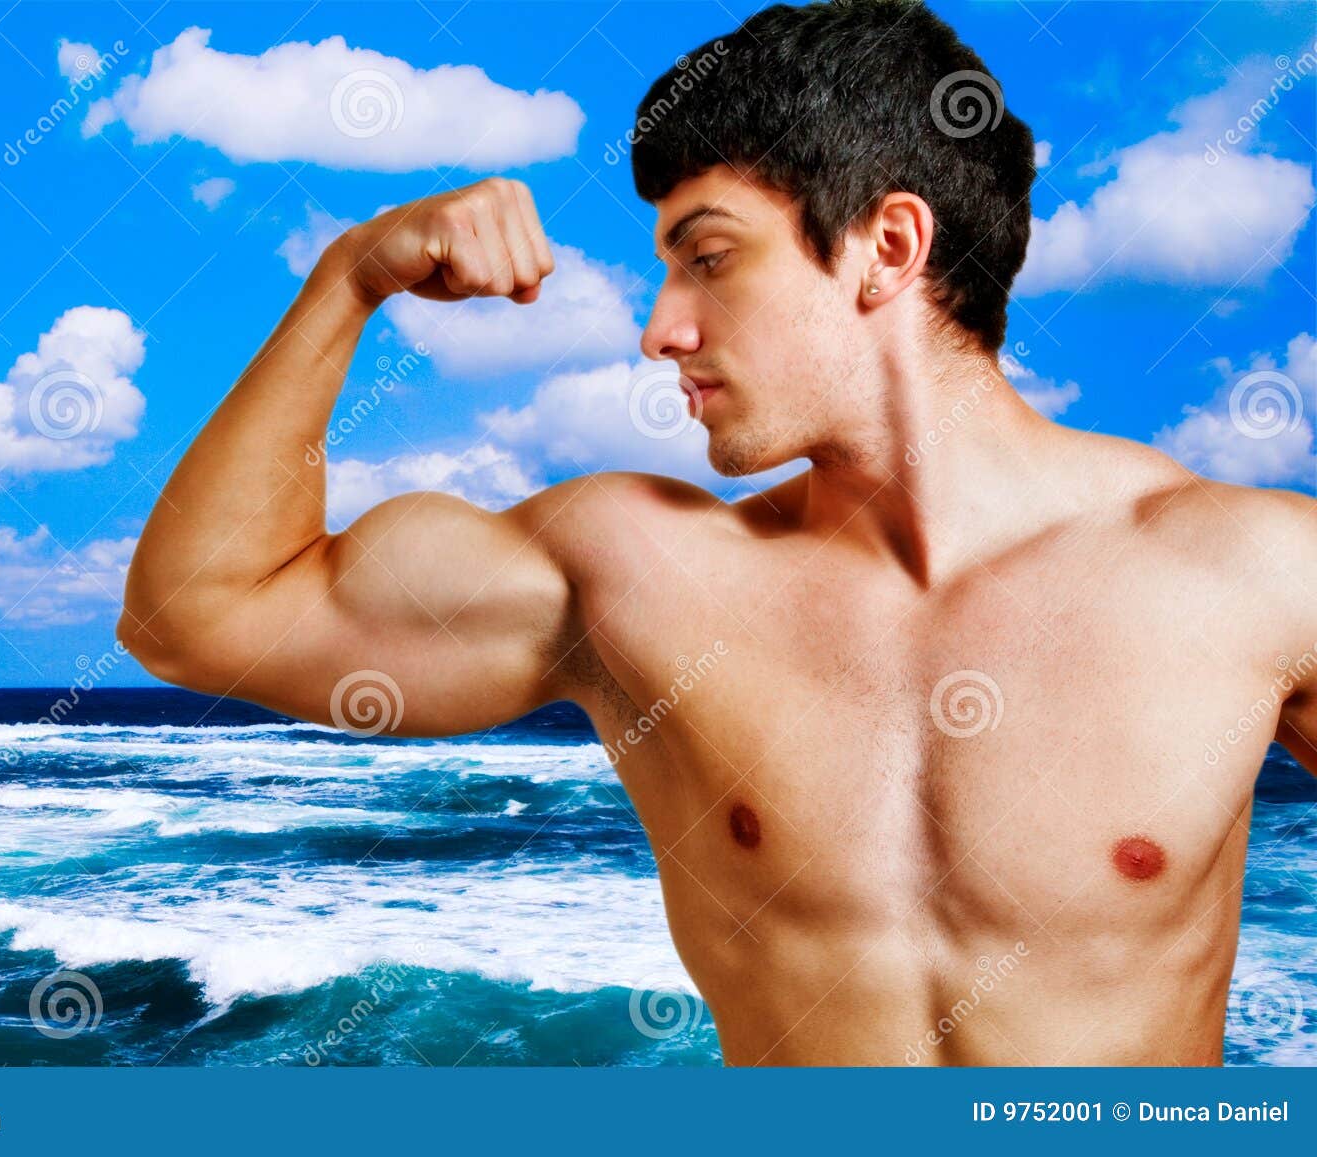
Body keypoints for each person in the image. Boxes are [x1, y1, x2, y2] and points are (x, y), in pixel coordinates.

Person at [120, 0, 1317, 1064]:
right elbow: (196, 616)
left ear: (885, 248)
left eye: (708, 259)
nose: (660, 329)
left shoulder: (1251, 574)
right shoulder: (635, 572)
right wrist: (351, 278)